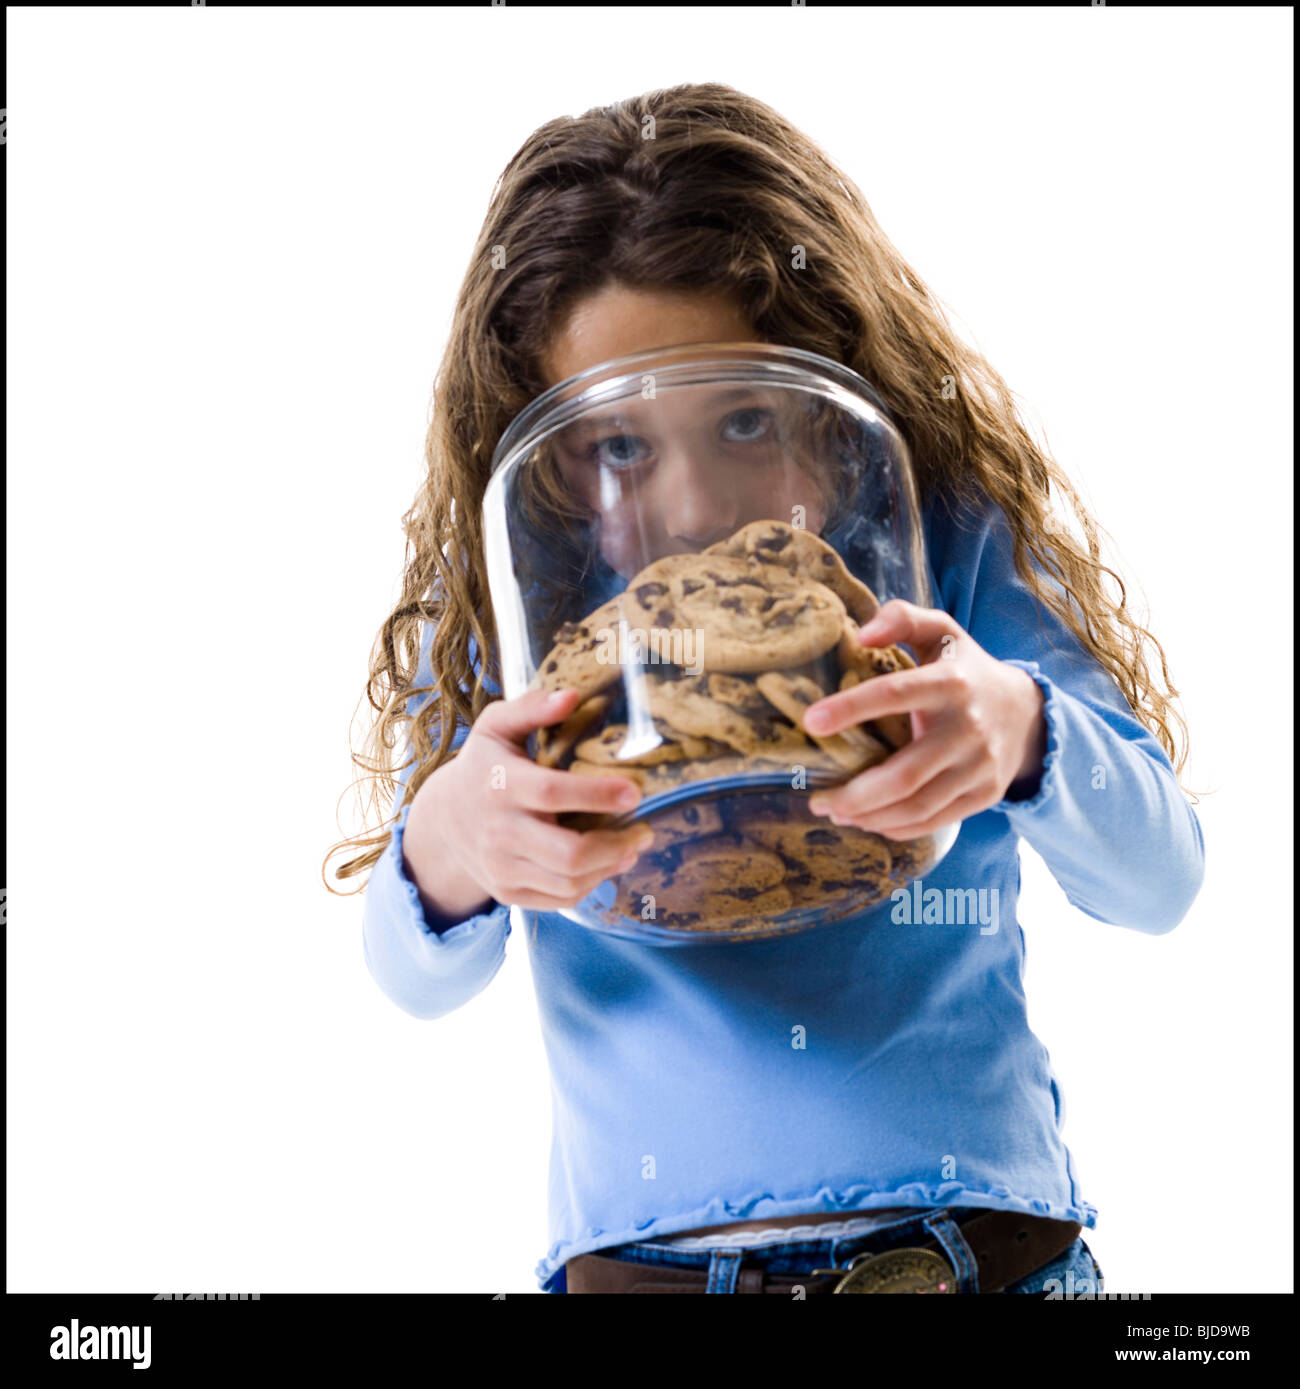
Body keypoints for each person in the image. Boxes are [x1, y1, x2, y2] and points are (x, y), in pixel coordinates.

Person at [325, 83, 1204, 1295]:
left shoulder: (939, 565)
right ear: (542, 446)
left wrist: (1019, 730)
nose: (691, 507)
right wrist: (456, 836)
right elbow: (411, 974)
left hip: (972, 1260)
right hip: (644, 1272)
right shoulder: (522, 627)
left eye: (745, 420)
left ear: (841, 387)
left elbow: (1160, 879)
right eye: (622, 447)